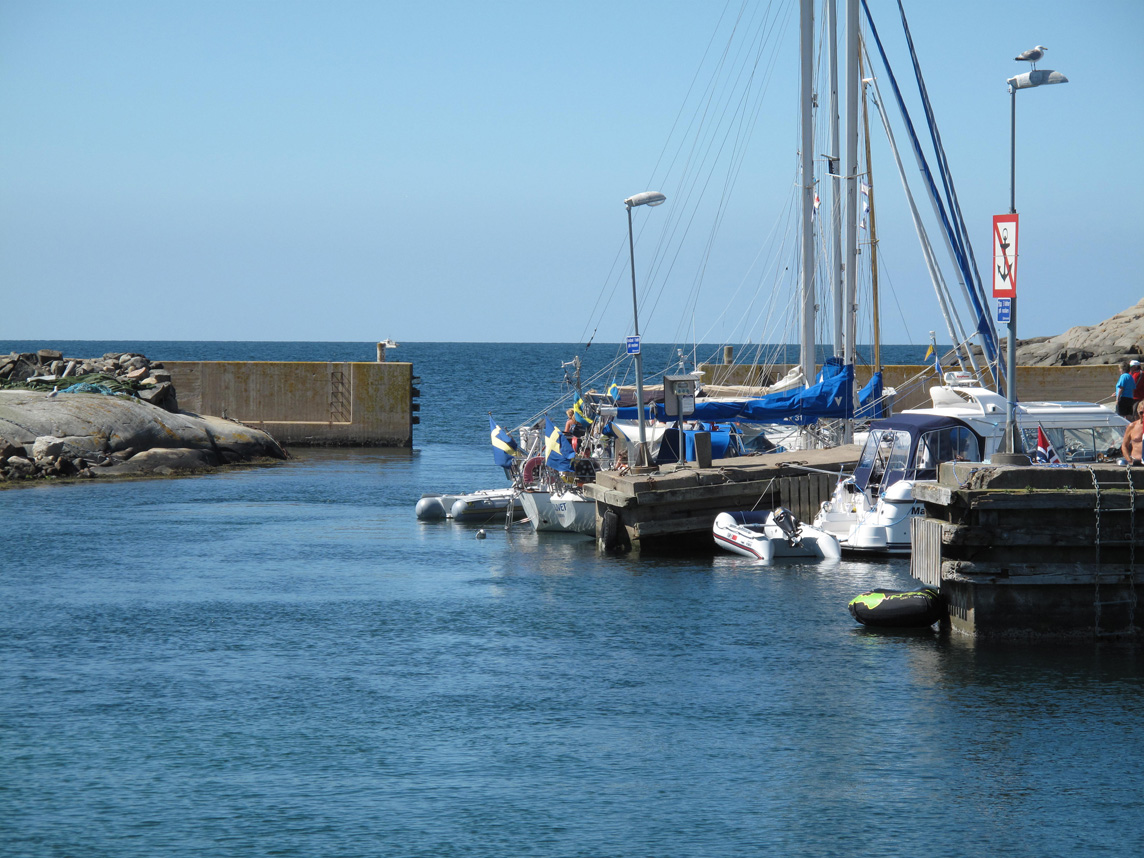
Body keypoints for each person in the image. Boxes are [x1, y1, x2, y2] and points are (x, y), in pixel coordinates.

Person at [1121, 400, 1144, 464]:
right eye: (1141, 412)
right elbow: (1124, 445)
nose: (1143, 415)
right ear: (1138, 412)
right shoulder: (1132, 426)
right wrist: (1129, 460)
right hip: (1135, 462)